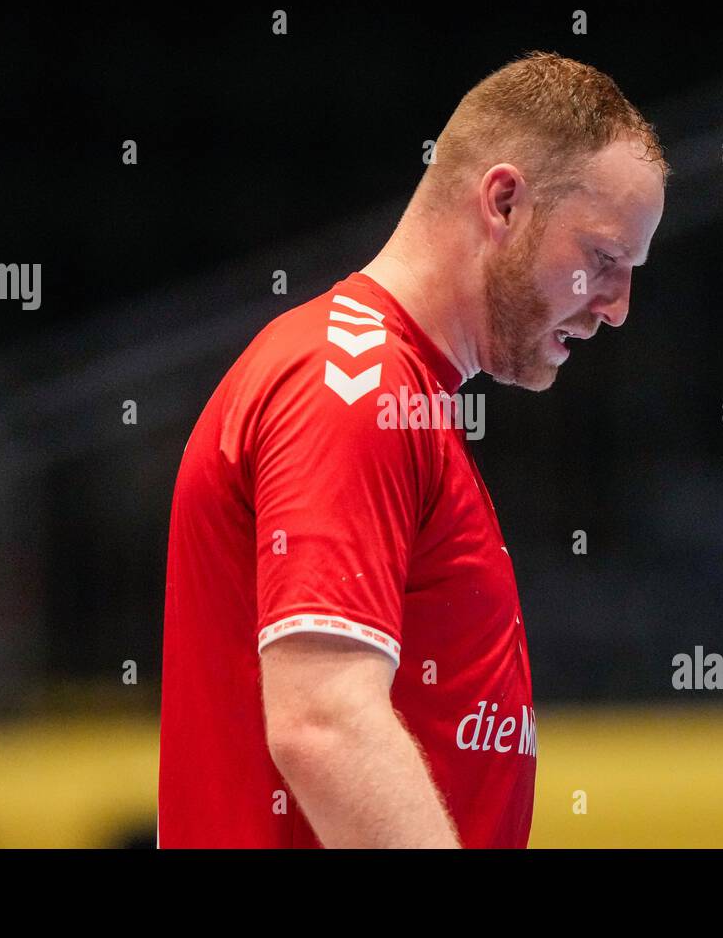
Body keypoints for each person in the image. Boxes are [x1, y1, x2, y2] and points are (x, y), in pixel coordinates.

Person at [159, 50, 668, 848]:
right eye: (603, 260)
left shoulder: (400, 398)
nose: (617, 308)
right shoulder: (352, 383)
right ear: (504, 201)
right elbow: (324, 723)